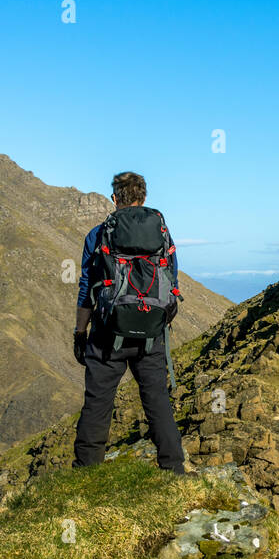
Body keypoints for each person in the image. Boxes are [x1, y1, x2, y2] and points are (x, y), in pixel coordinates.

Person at [72, 171, 186, 473]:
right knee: (157, 403)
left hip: (107, 334)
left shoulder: (97, 235)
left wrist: (79, 331)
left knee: (97, 403)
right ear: (144, 198)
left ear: (114, 199)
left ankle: (85, 477)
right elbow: (171, 277)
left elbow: (87, 288)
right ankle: (174, 472)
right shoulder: (161, 232)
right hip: (151, 333)